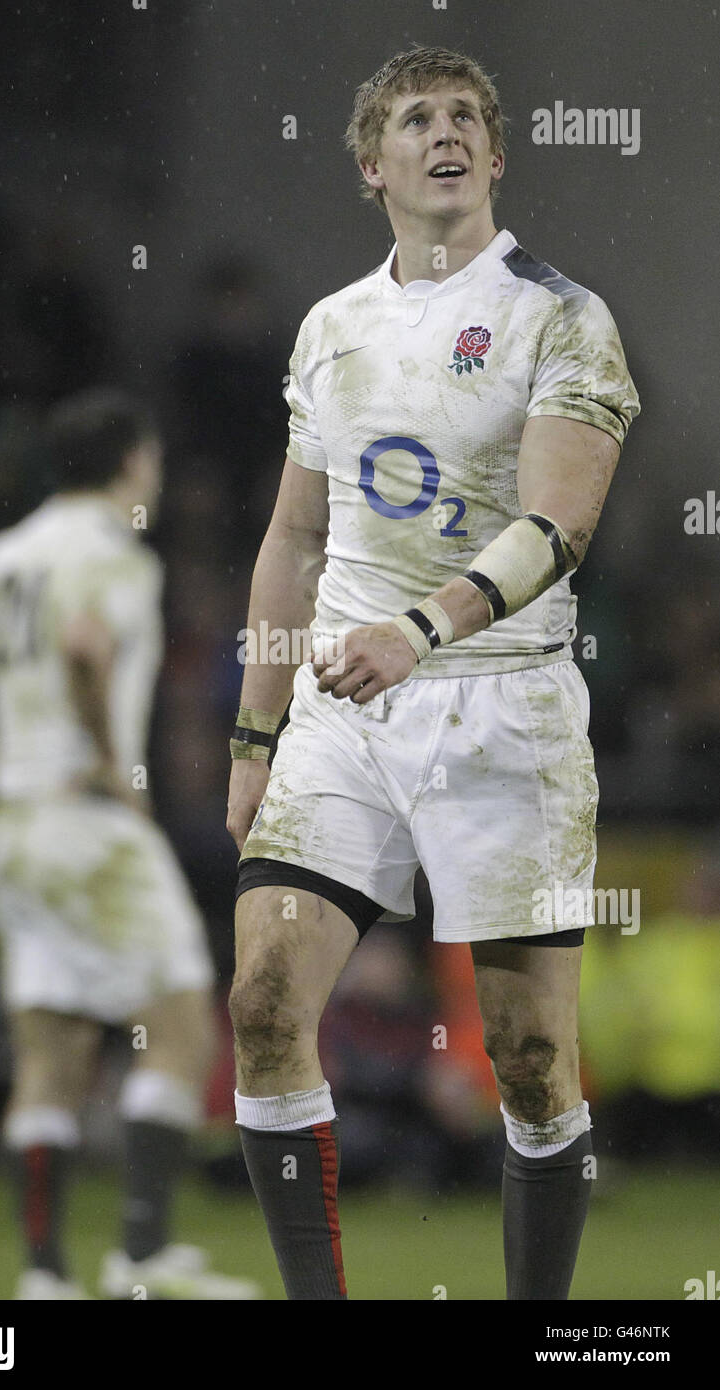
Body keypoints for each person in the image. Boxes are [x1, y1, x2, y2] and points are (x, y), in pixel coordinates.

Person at [226, 45, 639, 1300]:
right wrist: (254, 737)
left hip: (500, 705)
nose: (443, 132)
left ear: (495, 157)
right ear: (373, 166)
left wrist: (420, 625)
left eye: (466, 116)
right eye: (414, 119)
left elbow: (557, 524)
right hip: (344, 712)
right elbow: (296, 538)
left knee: (522, 1054)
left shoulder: (559, 316)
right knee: (259, 1001)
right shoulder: (331, 329)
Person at [0, 388, 257, 1300]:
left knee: (50, 1052)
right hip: (88, 823)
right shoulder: (114, 556)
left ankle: (44, 1276)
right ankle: (139, 1254)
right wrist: (111, 766)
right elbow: (87, 647)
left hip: (12, 828)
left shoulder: (7, 552)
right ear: (133, 463)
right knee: (181, 1029)